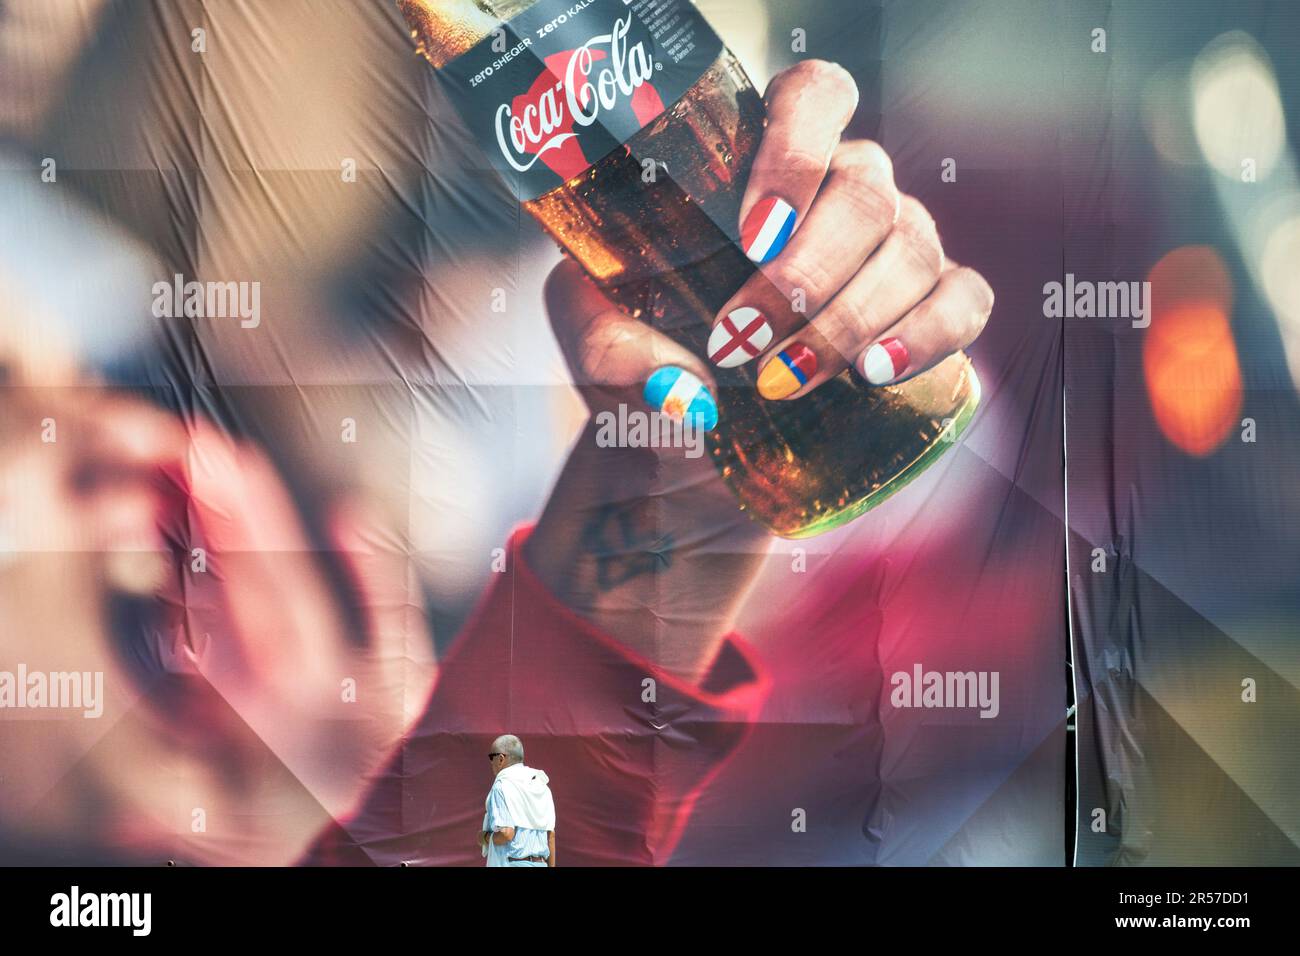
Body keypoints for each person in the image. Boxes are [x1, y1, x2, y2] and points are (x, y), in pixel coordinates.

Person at [479, 736, 556, 868]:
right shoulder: (542, 786)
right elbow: (551, 837)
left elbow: (506, 833)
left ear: (501, 758)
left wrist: (484, 837)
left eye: (491, 757)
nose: (491, 762)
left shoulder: (502, 785)